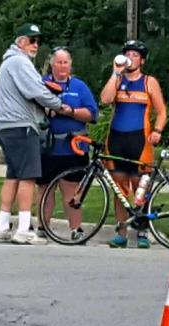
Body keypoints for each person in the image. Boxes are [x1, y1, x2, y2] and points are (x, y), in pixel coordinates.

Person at [0, 23, 71, 245]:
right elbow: (36, 90)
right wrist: (60, 105)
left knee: (13, 176)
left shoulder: (9, 62)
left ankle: (2, 227)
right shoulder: (19, 62)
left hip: (6, 125)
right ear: (20, 41)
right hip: (21, 125)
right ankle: (24, 229)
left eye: (37, 41)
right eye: (31, 40)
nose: (36, 45)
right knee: (28, 177)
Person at [99, 39, 167, 249]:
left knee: (140, 186)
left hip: (140, 139)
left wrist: (157, 131)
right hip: (116, 139)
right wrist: (115, 73)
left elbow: (162, 111)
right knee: (119, 187)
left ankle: (142, 230)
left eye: (135, 55)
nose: (130, 58)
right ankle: (121, 231)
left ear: (142, 60)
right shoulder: (118, 80)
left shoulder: (149, 82)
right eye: (128, 54)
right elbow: (105, 99)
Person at [37, 47, 98, 242]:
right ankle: (41, 227)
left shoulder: (79, 86)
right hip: (47, 146)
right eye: (59, 62)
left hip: (73, 147)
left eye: (66, 62)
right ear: (52, 64)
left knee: (71, 190)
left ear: (70, 64)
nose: (62, 66)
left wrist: (69, 111)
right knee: (45, 189)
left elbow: (92, 114)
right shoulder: (41, 84)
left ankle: (76, 229)